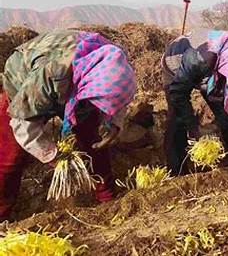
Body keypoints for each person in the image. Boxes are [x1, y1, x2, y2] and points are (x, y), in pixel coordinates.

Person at [0, 30, 136, 221]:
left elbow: (119, 99)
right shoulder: (51, 73)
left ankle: (107, 200)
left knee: (93, 143)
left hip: (75, 85)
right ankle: (2, 214)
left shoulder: (113, 67)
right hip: (25, 85)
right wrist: (51, 155)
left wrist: (114, 125)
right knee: (9, 158)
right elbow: (22, 123)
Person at [162, 29, 228, 175]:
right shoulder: (201, 59)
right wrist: (193, 128)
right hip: (177, 66)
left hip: (210, 69)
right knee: (177, 119)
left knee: (227, 112)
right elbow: (178, 93)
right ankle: (177, 171)